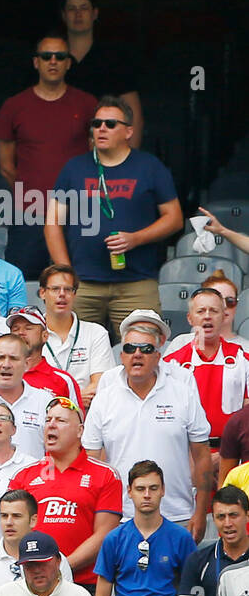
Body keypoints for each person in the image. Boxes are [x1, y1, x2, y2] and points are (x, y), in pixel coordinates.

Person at [46, 97, 182, 337]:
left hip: (136, 282)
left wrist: (136, 239)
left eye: (110, 124)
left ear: (128, 131)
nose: (101, 129)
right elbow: (52, 223)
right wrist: (65, 272)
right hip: (82, 284)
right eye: (96, 123)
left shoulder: (149, 166)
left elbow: (174, 218)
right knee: (68, 349)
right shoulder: (74, 168)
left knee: (143, 348)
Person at [84, 310, 213, 536]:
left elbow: (202, 456)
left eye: (146, 349)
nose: (137, 354)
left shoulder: (183, 392)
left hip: (178, 516)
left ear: (158, 355)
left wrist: (200, 512)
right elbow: (91, 462)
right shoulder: (105, 396)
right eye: (129, 348)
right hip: (120, 518)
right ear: (121, 355)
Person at [0, 33, 99, 279]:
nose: (53, 61)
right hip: (30, 213)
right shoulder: (14, 105)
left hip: (78, 213)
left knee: (79, 282)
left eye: (60, 56)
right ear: (36, 62)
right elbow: (7, 166)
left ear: (68, 63)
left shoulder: (86, 104)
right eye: (46, 56)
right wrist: (33, 195)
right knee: (25, 282)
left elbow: (98, 158)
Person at [94, 461, 196, 596]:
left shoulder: (181, 538)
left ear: (163, 490)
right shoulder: (114, 539)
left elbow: (195, 592)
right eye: (140, 489)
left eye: (153, 488)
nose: (147, 495)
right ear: (129, 492)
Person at [10, 396, 123, 589]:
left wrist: (62, 568)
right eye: (48, 420)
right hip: (32, 580)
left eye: (60, 420)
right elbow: (12, 529)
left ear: (80, 431)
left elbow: (105, 534)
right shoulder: (23, 476)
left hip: (85, 583)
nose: (51, 425)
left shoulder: (105, 475)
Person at [164, 287, 249, 448]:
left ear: (224, 316)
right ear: (190, 318)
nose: (207, 316)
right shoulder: (172, 363)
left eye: (214, 311)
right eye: (201, 311)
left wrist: (227, 454)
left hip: (232, 453)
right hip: (185, 453)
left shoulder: (243, 360)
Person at [61, 0, 144, 145]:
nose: (78, 14)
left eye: (84, 8)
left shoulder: (114, 58)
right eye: (72, 9)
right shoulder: (52, 58)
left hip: (107, 147)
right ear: (64, 16)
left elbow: (133, 112)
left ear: (95, 13)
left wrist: (130, 162)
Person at [39, 264, 114, 407]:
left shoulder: (96, 333)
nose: (62, 294)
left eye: (68, 289)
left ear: (75, 294)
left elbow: (101, 384)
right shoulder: (31, 335)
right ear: (42, 293)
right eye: (55, 289)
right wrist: (74, 398)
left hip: (86, 416)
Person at [0, 307, 83, 404]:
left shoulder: (63, 380)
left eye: (28, 328)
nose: (21, 333)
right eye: (15, 329)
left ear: (45, 336)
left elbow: (76, 422)